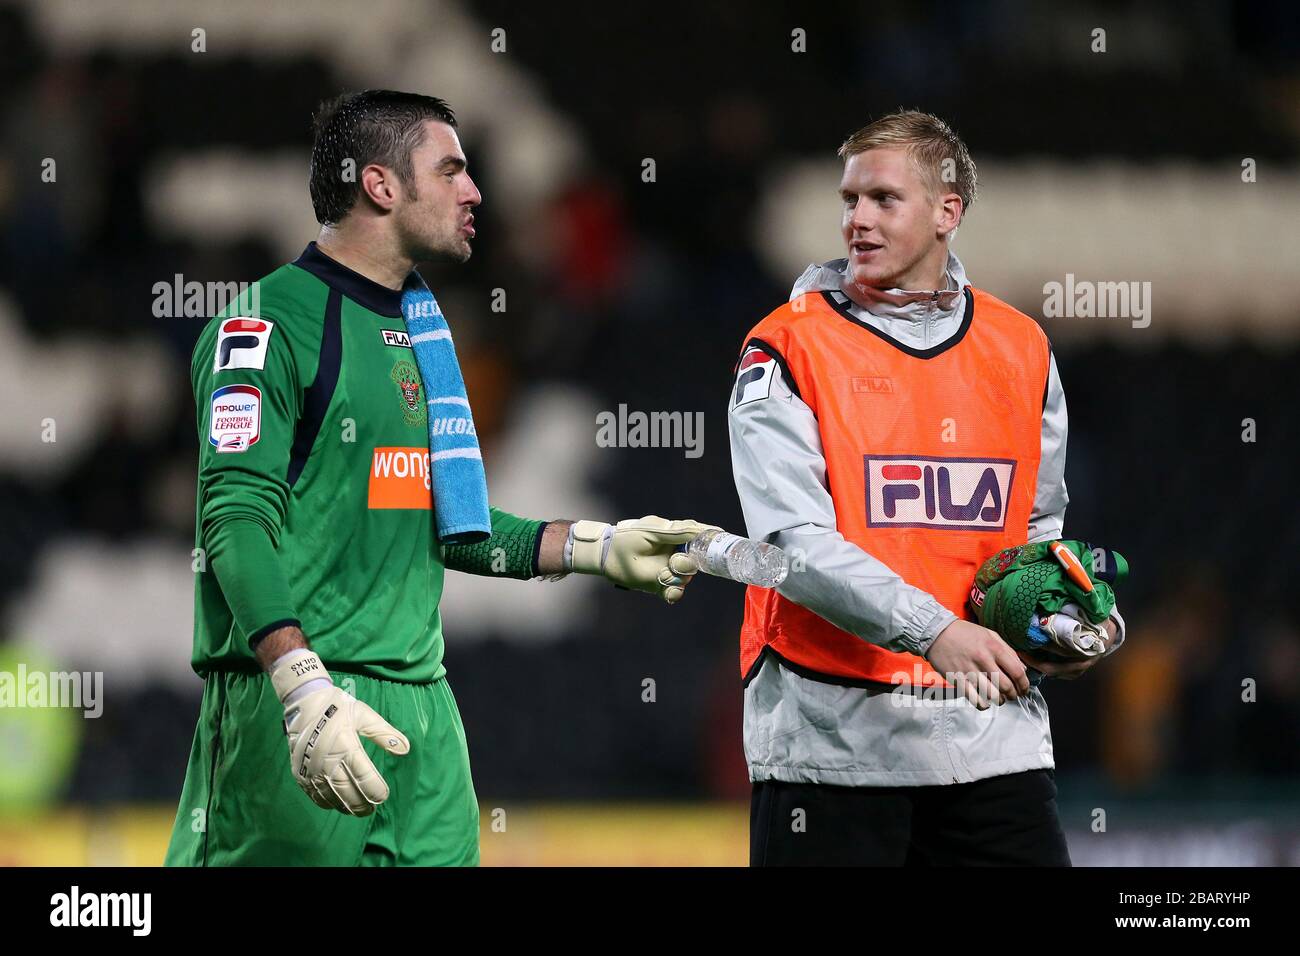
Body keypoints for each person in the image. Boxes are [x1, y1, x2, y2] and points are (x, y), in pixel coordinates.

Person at [165, 90, 711, 867]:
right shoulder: (264, 326)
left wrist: (597, 546)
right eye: (451, 169)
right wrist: (299, 684)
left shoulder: (422, 329)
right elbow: (234, 519)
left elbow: (445, 523)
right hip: (302, 709)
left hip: (424, 721)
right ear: (382, 186)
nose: (474, 189)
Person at [728, 110, 1126, 866]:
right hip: (832, 750)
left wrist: (1067, 623)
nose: (857, 220)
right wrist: (937, 632)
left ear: (948, 212)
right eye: (849, 201)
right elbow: (791, 548)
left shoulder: (1022, 348)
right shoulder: (784, 346)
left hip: (991, 746)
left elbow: (1035, 534)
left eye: (883, 199)